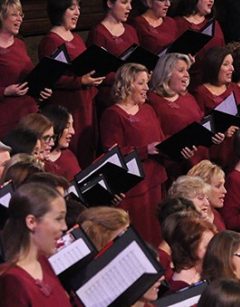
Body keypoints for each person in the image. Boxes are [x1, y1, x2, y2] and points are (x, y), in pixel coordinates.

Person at [100, 63, 167, 245]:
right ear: (128, 84)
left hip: (155, 179)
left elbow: (159, 140)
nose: (147, 88)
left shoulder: (149, 109)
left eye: (147, 82)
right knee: (141, 236)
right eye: (141, 83)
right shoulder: (113, 114)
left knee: (157, 234)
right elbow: (112, 152)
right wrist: (145, 150)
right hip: (134, 186)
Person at [40, 0, 102, 166]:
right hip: (69, 104)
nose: (77, 12)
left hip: (86, 101)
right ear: (59, 10)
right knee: (74, 149)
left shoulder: (76, 38)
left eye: (79, 8)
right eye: (72, 8)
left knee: (88, 147)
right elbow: (50, 77)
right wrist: (80, 80)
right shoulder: (51, 41)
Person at [148, 53, 221, 178]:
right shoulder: (153, 101)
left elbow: (201, 123)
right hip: (175, 167)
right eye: (181, 70)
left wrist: (213, 136)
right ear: (166, 73)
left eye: (187, 70)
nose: (187, 75)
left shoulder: (188, 97)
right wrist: (178, 148)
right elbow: (155, 137)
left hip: (201, 164)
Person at [0, 183, 70, 306]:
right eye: (58, 219)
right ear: (31, 222)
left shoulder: (42, 261)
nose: (64, 227)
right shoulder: (12, 281)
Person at [0, 0, 50, 137]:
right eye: (14, 15)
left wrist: (40, 90)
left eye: (21, 15)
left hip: (28, 114)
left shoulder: (20, 44)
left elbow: (28, 78)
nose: (20, 19)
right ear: (1, 17)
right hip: (7, 118)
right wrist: (5, 91)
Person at [88, 0, 139, 111]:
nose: (129, 7)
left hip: (132, 93)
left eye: (130, 2)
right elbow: (96, 72)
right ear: (110, 3)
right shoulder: (98, 32)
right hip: (110, 96)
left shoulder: (131, 30)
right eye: (124, 2)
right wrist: (125, 77)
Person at [170, 0, 226, 87]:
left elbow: (223, 53)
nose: (212, 1)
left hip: (215, 81)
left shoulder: (215, 24)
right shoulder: (176, 24)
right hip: (189, 82)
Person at [167, 214, 217, 292]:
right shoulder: (181, 289)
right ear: (190, 247)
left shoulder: (204, 277)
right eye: (208, 247)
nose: (215, 250)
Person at [40, 104, 80, 181]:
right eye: (67, 127)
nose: (73, 132)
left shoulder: (69, 156)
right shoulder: (37, 163)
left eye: (72, 126)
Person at [188, 159, 228, 230]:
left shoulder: (215, 214)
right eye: (218, 186)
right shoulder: (194, 224)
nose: (225, 191)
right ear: (203, 189)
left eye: (223, 185)